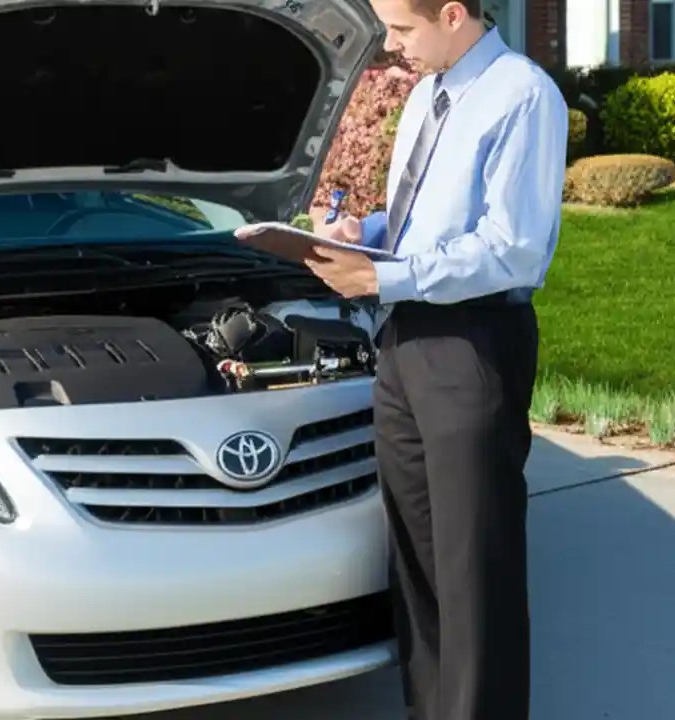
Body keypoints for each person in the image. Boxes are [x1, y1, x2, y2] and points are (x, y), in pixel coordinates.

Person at [236, 2, 567, 719]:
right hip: (401, 344)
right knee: (416, 564)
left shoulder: (522, 94)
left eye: (401, 29)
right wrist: (368, 232)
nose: (388, 47)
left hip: (472, 346)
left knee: (475, 568)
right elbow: (426, 222)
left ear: (453, 13)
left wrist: (383, 277)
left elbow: (512, 247)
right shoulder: (425, 95)